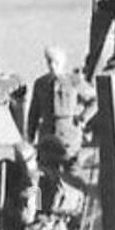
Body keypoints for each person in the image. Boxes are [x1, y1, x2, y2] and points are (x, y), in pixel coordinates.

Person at [26, 46, 96, 211]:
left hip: (69, 135)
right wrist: (29, 136)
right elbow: (33, 112)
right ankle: (41, 209)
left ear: (62, 63)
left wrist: (83, 119)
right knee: (43, 174)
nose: (52, 66)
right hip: (47, 135)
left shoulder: (74, 81)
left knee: (72, 171)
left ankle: (79, 207)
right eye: (49, 62)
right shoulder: (40, 84)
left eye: (55, 62)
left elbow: (94, 100)